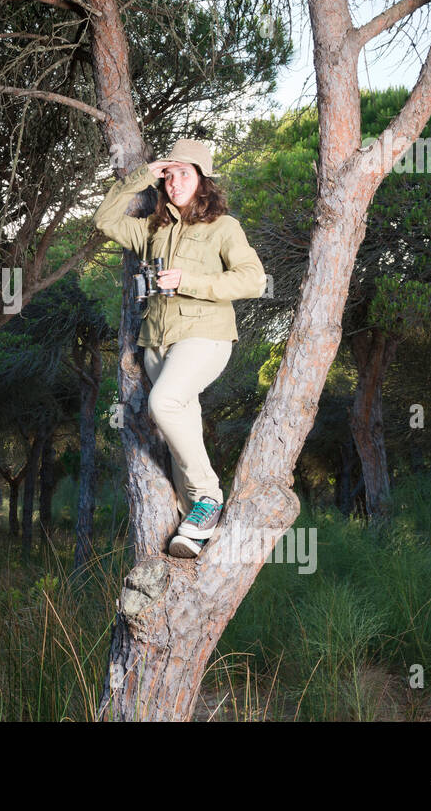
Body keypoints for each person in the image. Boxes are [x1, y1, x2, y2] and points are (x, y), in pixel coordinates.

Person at [94, 138, 266, 557]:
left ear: (203, 181)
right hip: (157, 343)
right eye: (170, 176)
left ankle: (208, 496)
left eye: (184, 174)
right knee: (180, 427)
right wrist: (142, 176)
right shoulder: (155, 229)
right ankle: (196, 527)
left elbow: (253, 280)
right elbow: (104, 220)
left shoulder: (224, 227)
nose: (174, 183)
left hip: (205, 336)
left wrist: (187, 281)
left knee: (164, 403)